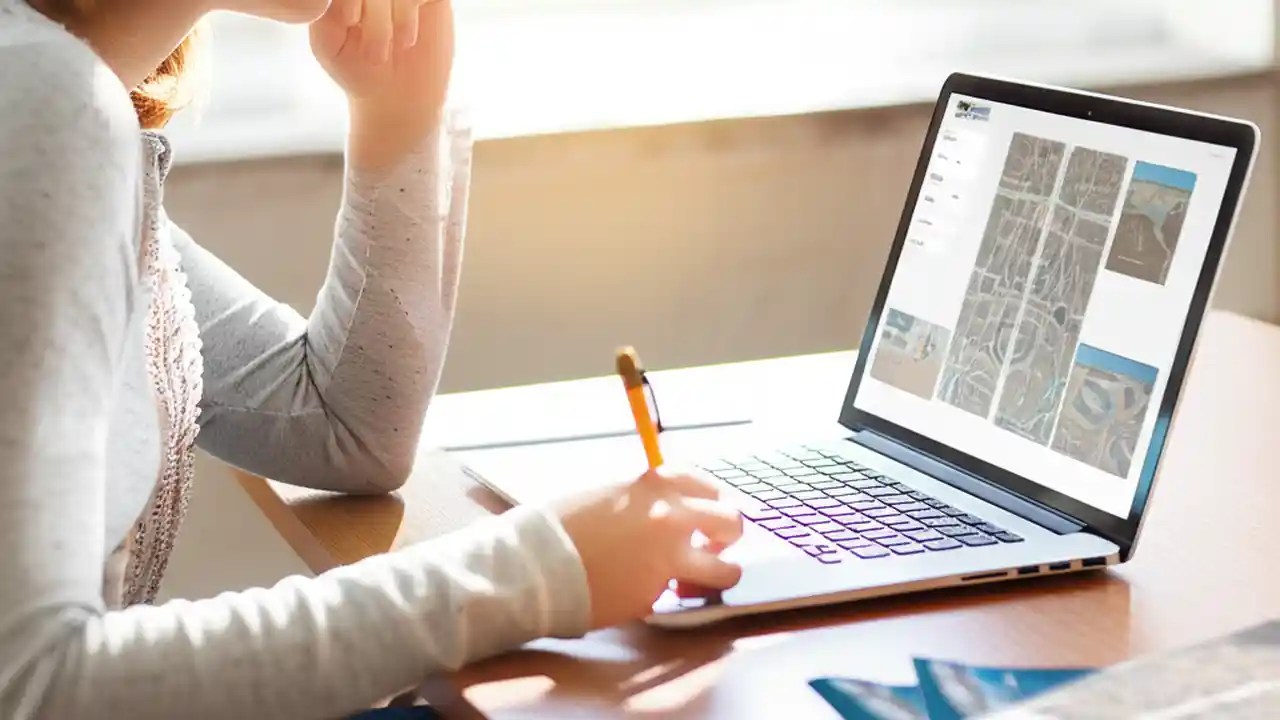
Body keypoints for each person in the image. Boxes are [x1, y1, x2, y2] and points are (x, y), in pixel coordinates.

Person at [0, 0, 746, 717]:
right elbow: (37, 689)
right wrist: (542, 572)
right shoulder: (40, 106)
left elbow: (341, 428)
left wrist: (402, 114)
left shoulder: (50, 93)